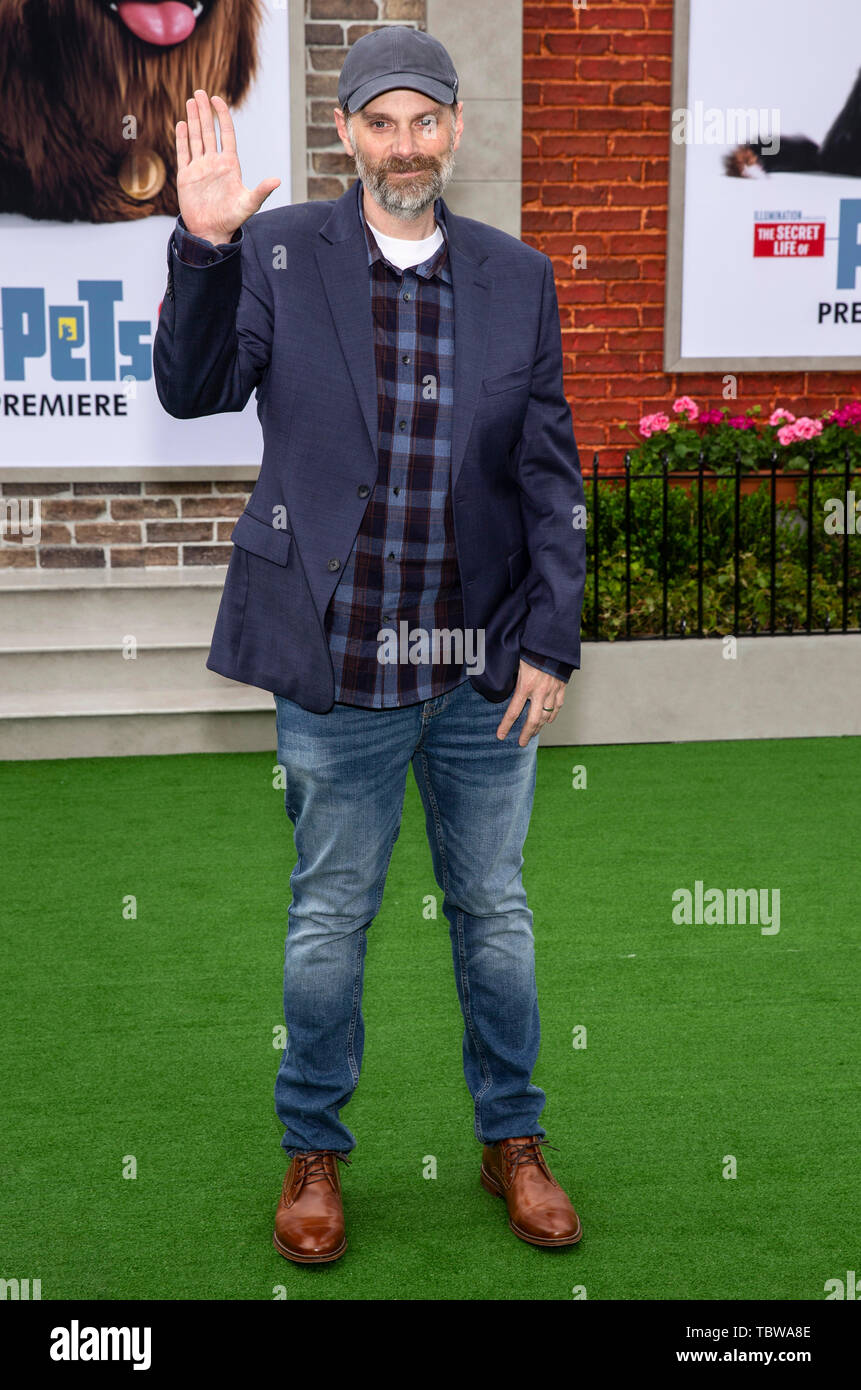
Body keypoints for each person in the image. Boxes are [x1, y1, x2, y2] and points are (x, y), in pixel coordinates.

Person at [153, 26, 586, 1265]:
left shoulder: (519, 276)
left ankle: (513, 1137)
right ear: (345, 131)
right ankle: (315, 1153)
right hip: (338, 668)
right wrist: (206, 245)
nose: (405, 144)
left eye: (425, 120)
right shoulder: (282, 253)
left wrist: (550, 637)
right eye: (380, 121)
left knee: (495, 912)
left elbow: (551, 475)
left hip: (480, 669)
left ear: (455, 130)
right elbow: (193, 390)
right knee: (329, 917)